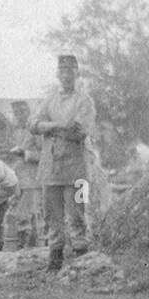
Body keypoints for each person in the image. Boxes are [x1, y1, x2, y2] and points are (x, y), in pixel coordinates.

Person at [31, 54, 97, 270]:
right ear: (58, 74)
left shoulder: (84, 101)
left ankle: (81, 255)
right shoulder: (50, 99)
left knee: (77, 212)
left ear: (77, 74)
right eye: (63, 71)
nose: (66, 75)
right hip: (50, 166)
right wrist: (57, 126)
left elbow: (79, 131)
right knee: (52, 214)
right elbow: (33, 124)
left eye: (71, 71)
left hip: (77, 166)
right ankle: (55, 256)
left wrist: (49, 127)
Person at [5, 99, 43, 249]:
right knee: (27, 215)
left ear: (28, 112)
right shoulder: (16, 132)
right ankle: (31, 249)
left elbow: (44, 154)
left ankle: (24, 248)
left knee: (23, 214)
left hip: (32, 178)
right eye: (16, 113)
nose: (19, 116)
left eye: (22, 112)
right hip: (19, 178)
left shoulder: (36, 131)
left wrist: (25, 153)